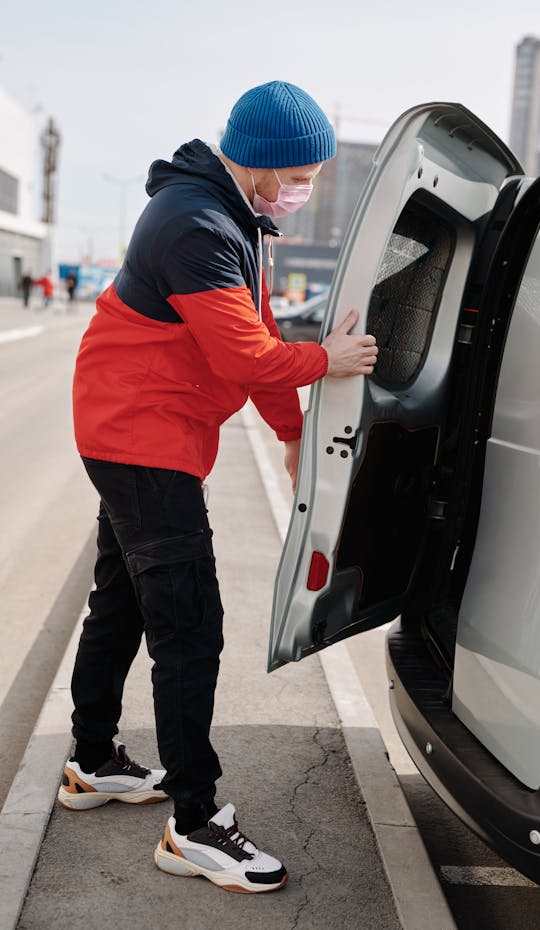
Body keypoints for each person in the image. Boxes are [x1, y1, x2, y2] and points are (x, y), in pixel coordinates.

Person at [61, 80, 378, 895]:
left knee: (123, 602)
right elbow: (252, 358)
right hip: (143, 440)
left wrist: (296, 430)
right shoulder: (197, 226)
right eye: (302, 174)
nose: (305, 191)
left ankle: (92, 764)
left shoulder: (236, 216)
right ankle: (194, 825)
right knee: (190, 625)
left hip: (134, 429)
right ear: (268, 168)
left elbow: (259, 335)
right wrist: (327, 365)